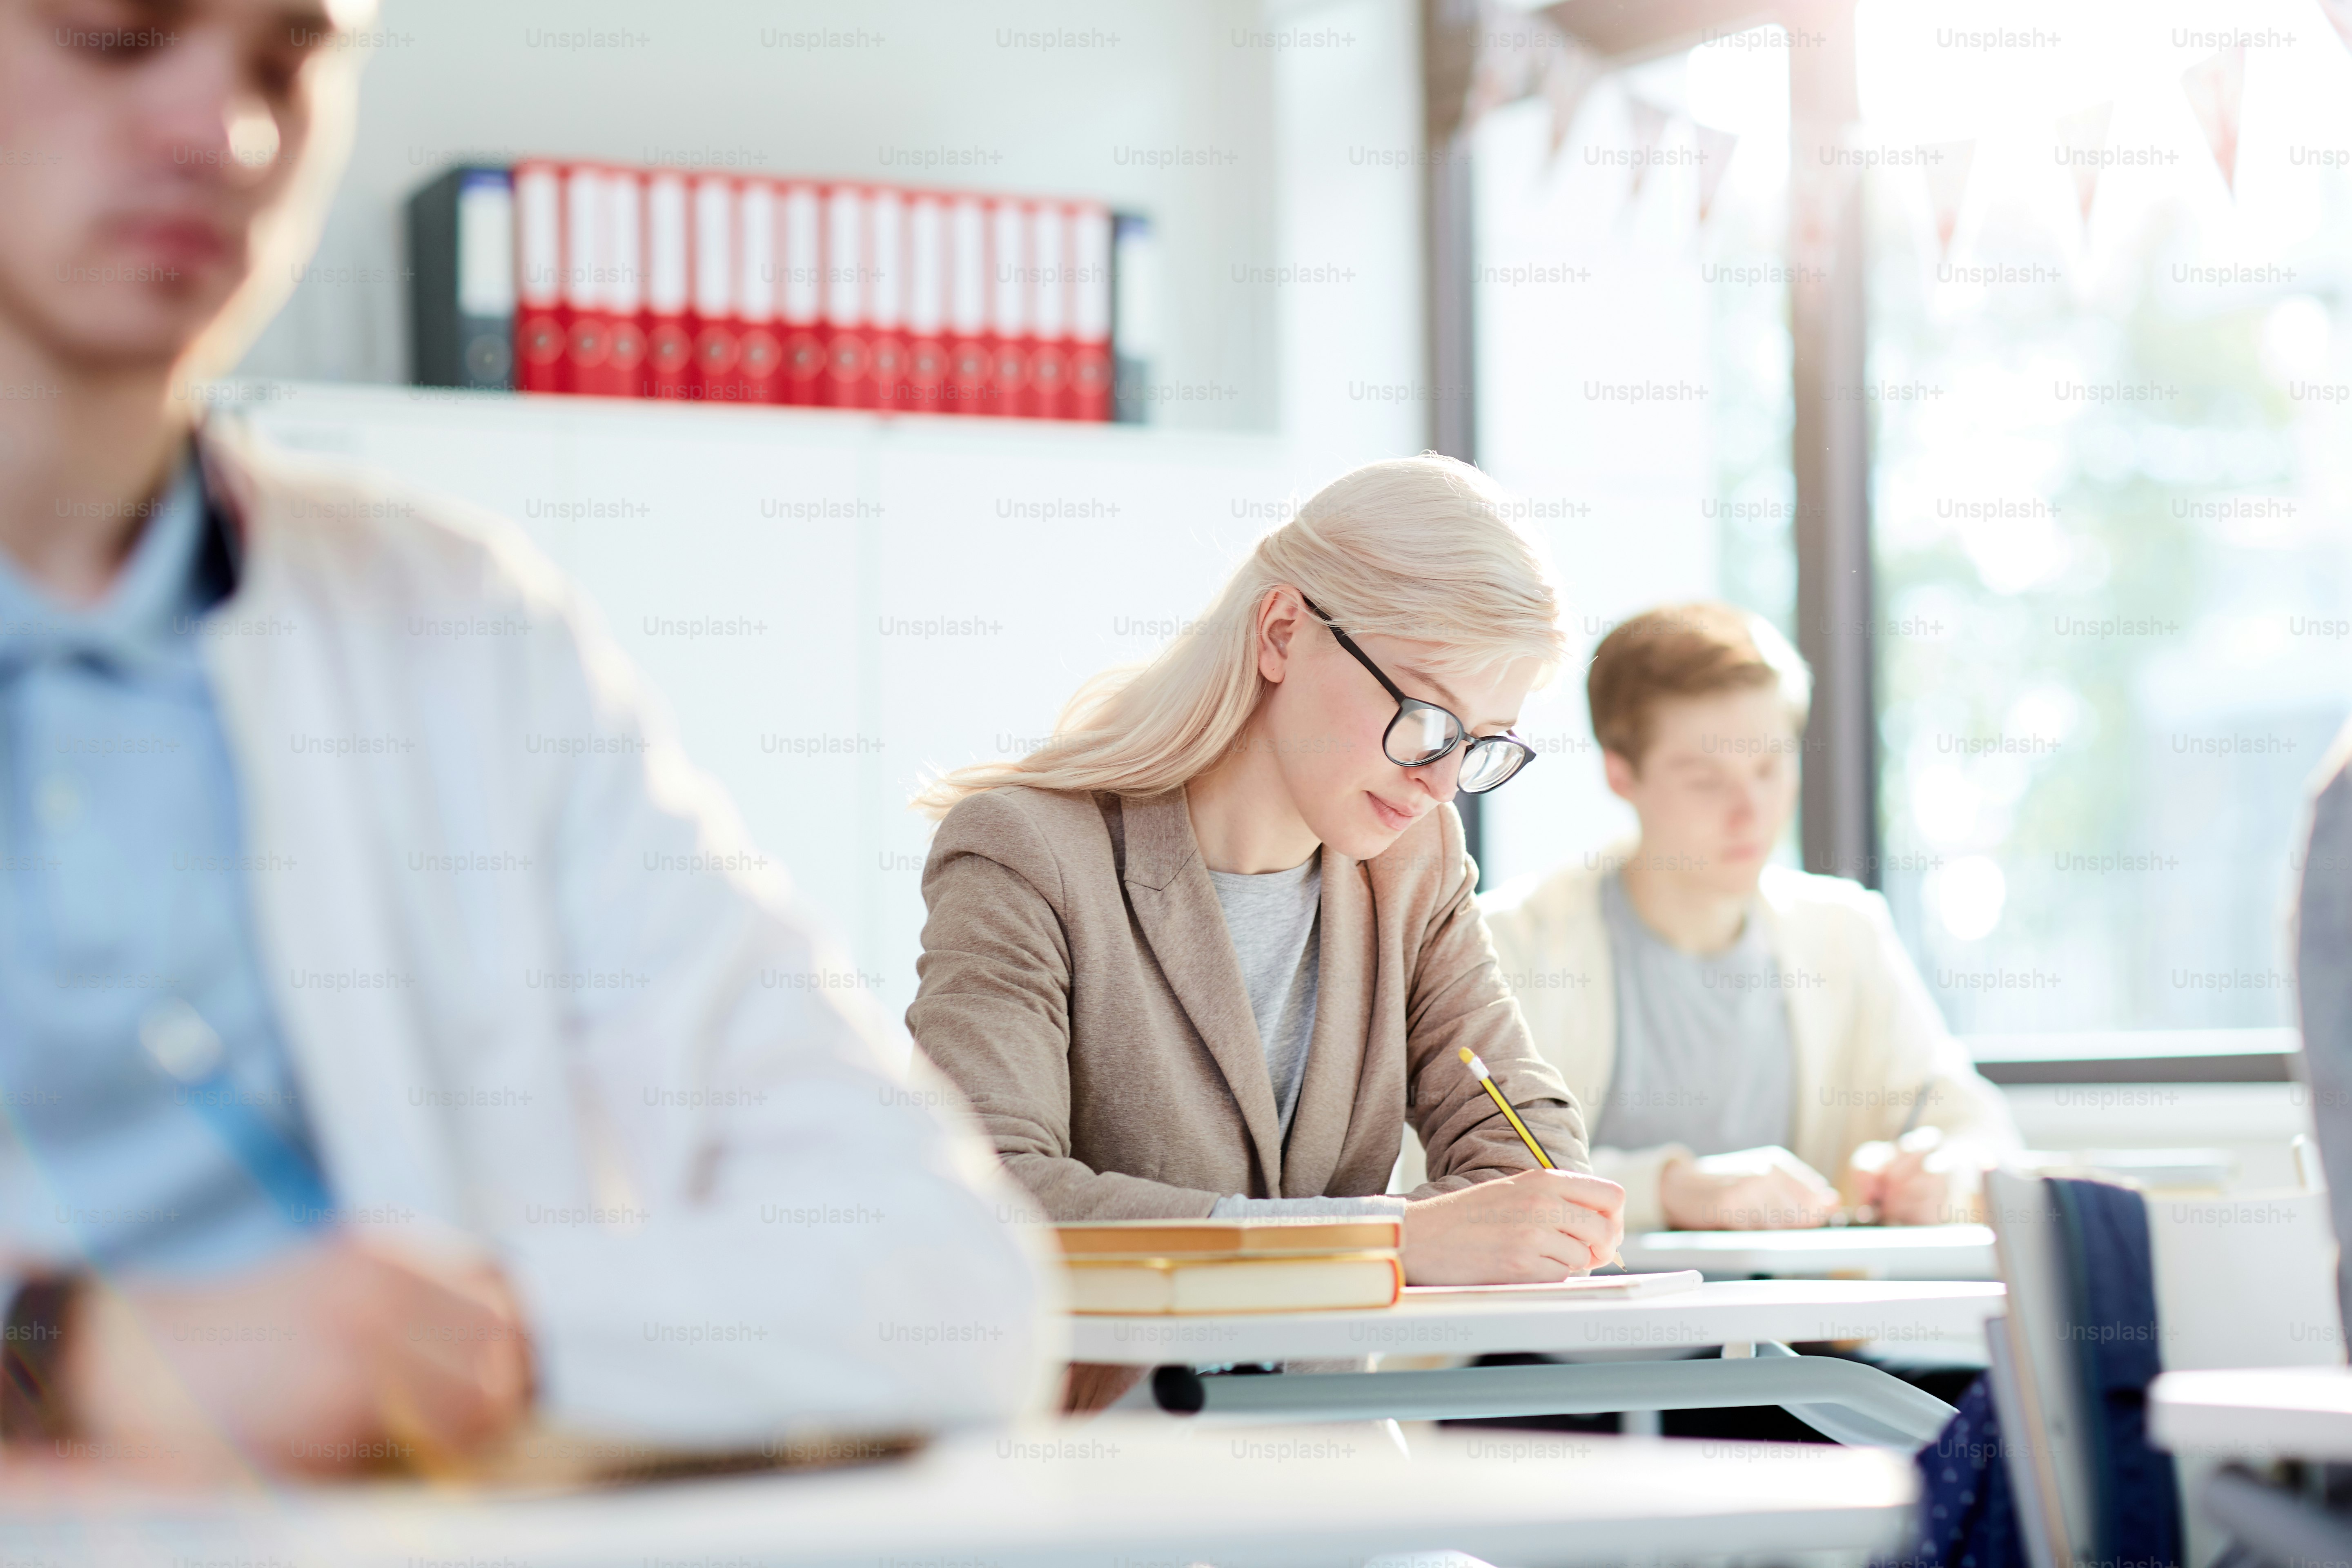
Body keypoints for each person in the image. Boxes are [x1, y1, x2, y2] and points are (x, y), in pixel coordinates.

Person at [0, 0, 1050, 1477]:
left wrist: (462, 1333)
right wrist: (75, 1358)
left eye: (286, 60)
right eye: (114, 30)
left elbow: (950, 1286)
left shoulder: (457, 625)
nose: (225, 135)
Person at [907, 455, 1626, 1298]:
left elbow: (1525, 1162)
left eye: (1481, 744)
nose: (1439, 781)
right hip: (1103, 1422)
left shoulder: (1415, 866)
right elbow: (985, 1194)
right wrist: (1382, 1240)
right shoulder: (1027, 853)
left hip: (1336, 1425)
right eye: (1426, 718)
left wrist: (1471, 1230)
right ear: (1283, 632)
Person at [1481, 603, 2016, 1236]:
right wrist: (1669, 1191)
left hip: (1799, 1333)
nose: (1752, 812)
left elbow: (1980, 1131)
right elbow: (1469, 1187)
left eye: (1769, 768)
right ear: (1619, 773)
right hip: (1569, 1336)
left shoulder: (1844, 934)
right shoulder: (1508, 947)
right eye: (1707, 781)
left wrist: (1945, 1174)